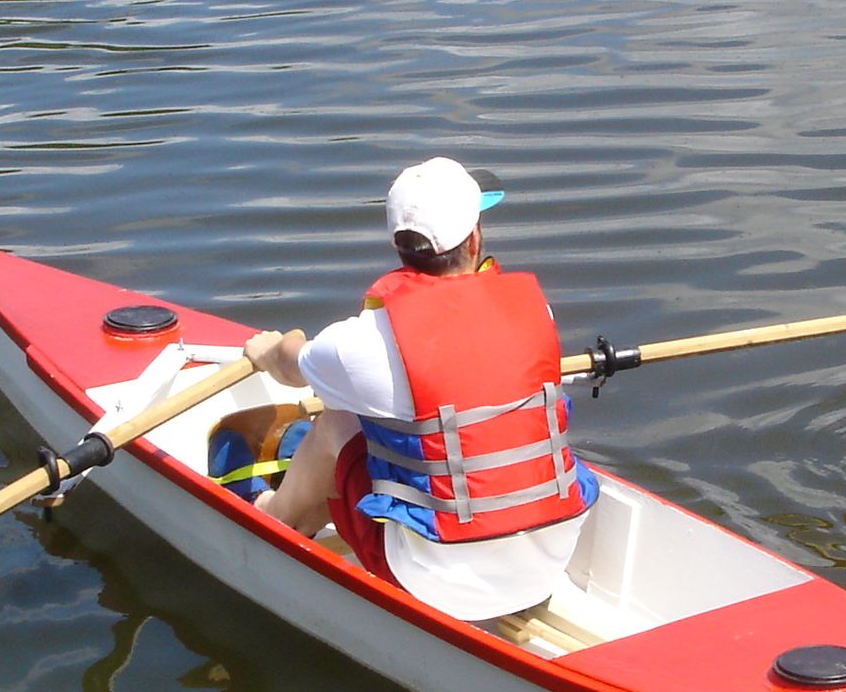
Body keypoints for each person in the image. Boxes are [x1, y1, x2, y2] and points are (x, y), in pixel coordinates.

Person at [238, 158, 598, 622]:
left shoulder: (362, 342)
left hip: (436, 583)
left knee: (337, 421)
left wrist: (272, 347)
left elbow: (291, 366)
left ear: (399, 246)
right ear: (473, 240)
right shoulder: (538, 312)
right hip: (551, 559)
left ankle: (276, 513)